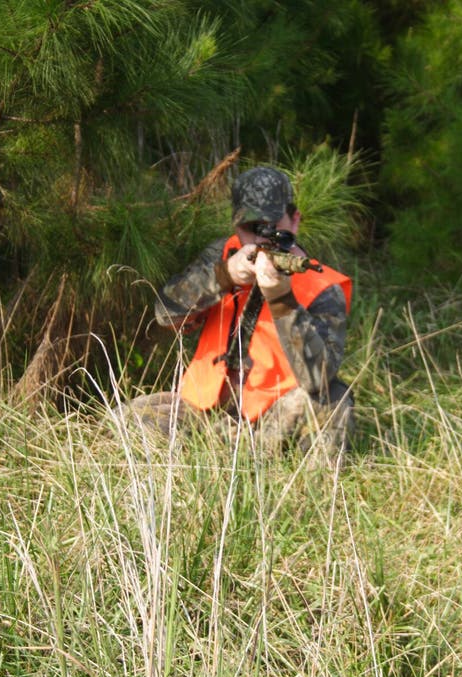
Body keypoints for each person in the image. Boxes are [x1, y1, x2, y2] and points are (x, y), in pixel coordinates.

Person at [127, 166, 353, 460]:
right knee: (129, 417)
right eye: (251, 228)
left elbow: (317, 379)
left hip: (273, 422)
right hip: (204, 415)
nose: (262, 238)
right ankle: (198, 469)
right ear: (235, 225)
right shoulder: (222, 255)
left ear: (294, 220)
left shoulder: (322, 285)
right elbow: (164, 313)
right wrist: (224, 276)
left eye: (272, 224)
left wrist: (281, 297)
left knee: (335, 400)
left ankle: (301, 493)